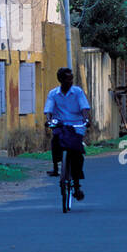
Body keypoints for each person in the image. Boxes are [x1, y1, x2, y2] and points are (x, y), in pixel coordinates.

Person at [43, 67, 90, 200]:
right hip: (60, 124)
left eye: (71, 78)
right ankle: (56, 167)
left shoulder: (77, 92)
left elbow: (84, 107)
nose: (70, 81)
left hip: (76, 125)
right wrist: (49, 121)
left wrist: (86, 119)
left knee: (76, 152)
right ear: (60, 80)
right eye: (67, 79)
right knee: (55, 140)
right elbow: (49, 110)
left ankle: (76, 185)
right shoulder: (53, 93)